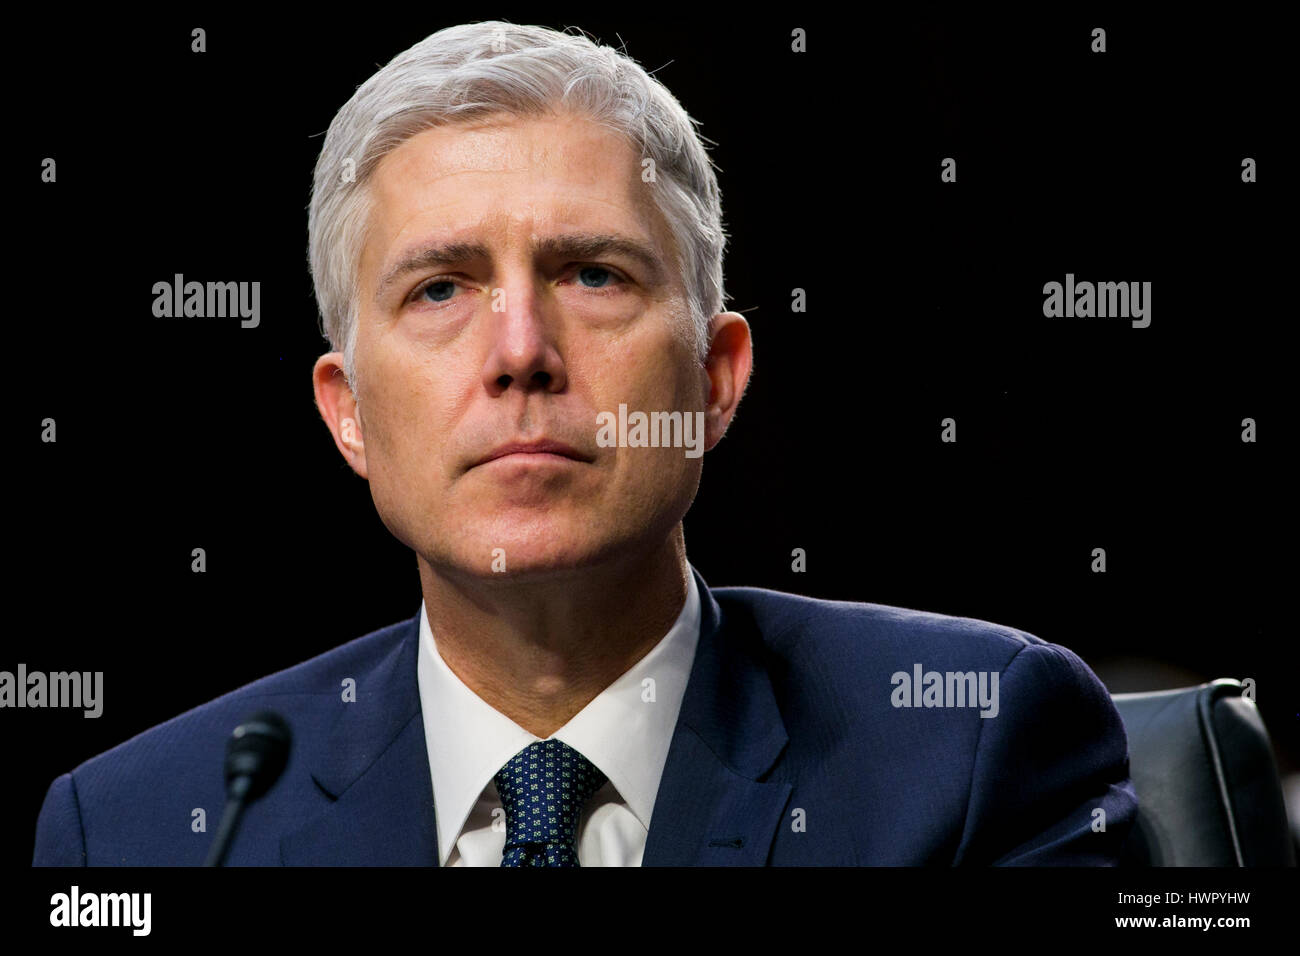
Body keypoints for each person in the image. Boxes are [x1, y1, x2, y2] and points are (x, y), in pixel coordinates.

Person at [32, 20, 1136, 866]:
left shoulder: (972, 747)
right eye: (439, 288)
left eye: (591, 274)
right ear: (348, 411)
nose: (521, 350)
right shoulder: (137, 830)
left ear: (714, 377)